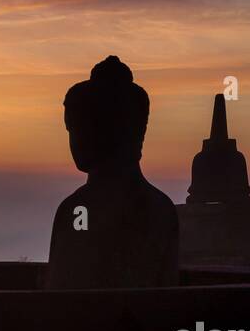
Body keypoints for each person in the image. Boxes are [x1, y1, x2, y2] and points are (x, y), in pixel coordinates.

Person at [45, 56, 179, 289]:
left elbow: (61, 295)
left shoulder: (78, 210)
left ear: (99, 132)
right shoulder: (162, 208)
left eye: (75, 130)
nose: (73, 142)